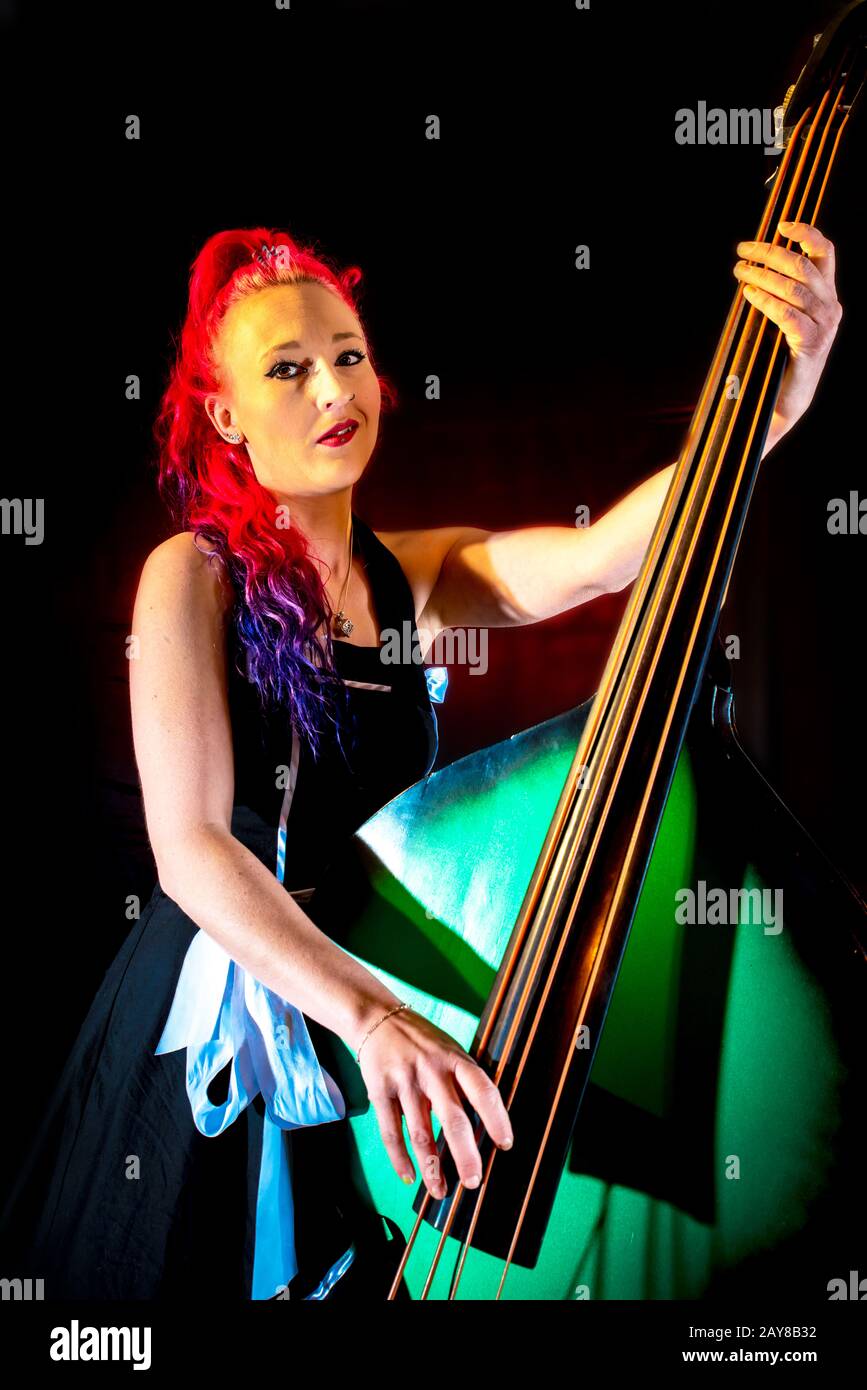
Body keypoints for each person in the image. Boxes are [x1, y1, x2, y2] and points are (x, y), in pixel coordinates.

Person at [0, 221, 842, 1300]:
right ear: (225, 415)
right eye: (287, 370)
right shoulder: (192, 574)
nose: (329, 389)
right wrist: (374, 1017)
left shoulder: (417, 580)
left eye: (347, 355)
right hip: (238, 1009)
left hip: (375, 1024)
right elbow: (191, 848)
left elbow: (604, 555)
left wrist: (767, 411)